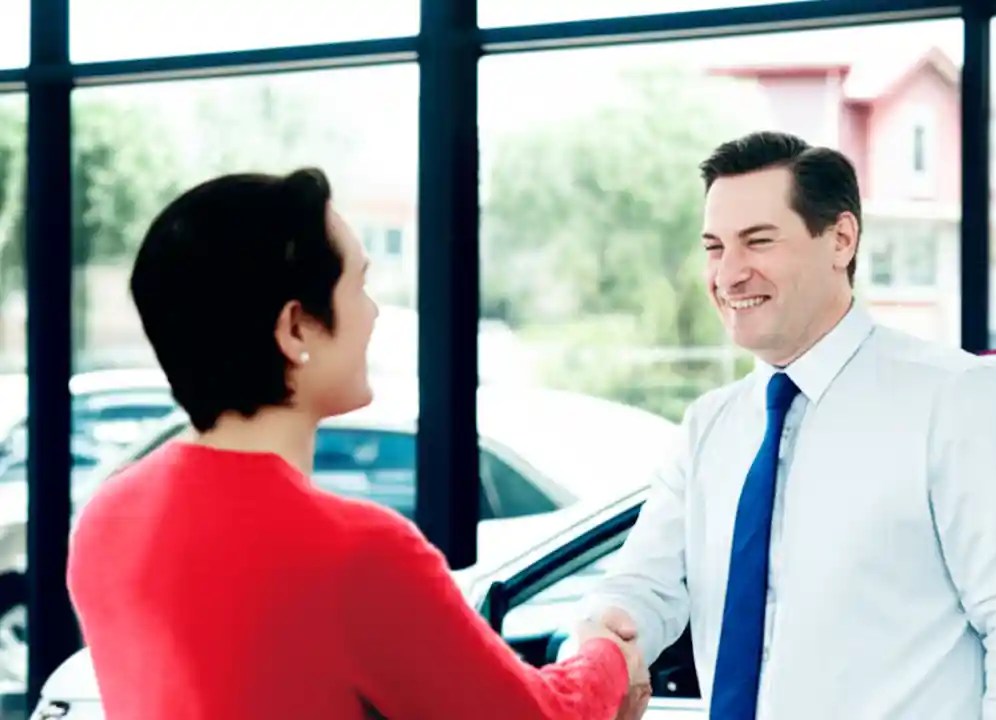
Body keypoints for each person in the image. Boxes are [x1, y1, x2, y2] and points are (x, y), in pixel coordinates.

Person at [66, 168, 647, 719]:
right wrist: (603, 655)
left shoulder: (105, 520)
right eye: (359, 285)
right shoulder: (355, 553)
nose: (372, 315)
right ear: (296, 329)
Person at [572, 131, 996, 718]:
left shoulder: (954, 400)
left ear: (841, 240)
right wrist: (603, 638)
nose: (728, 274)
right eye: (715, 247)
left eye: (758, 242)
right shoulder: (711, 426)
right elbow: (644, 586)